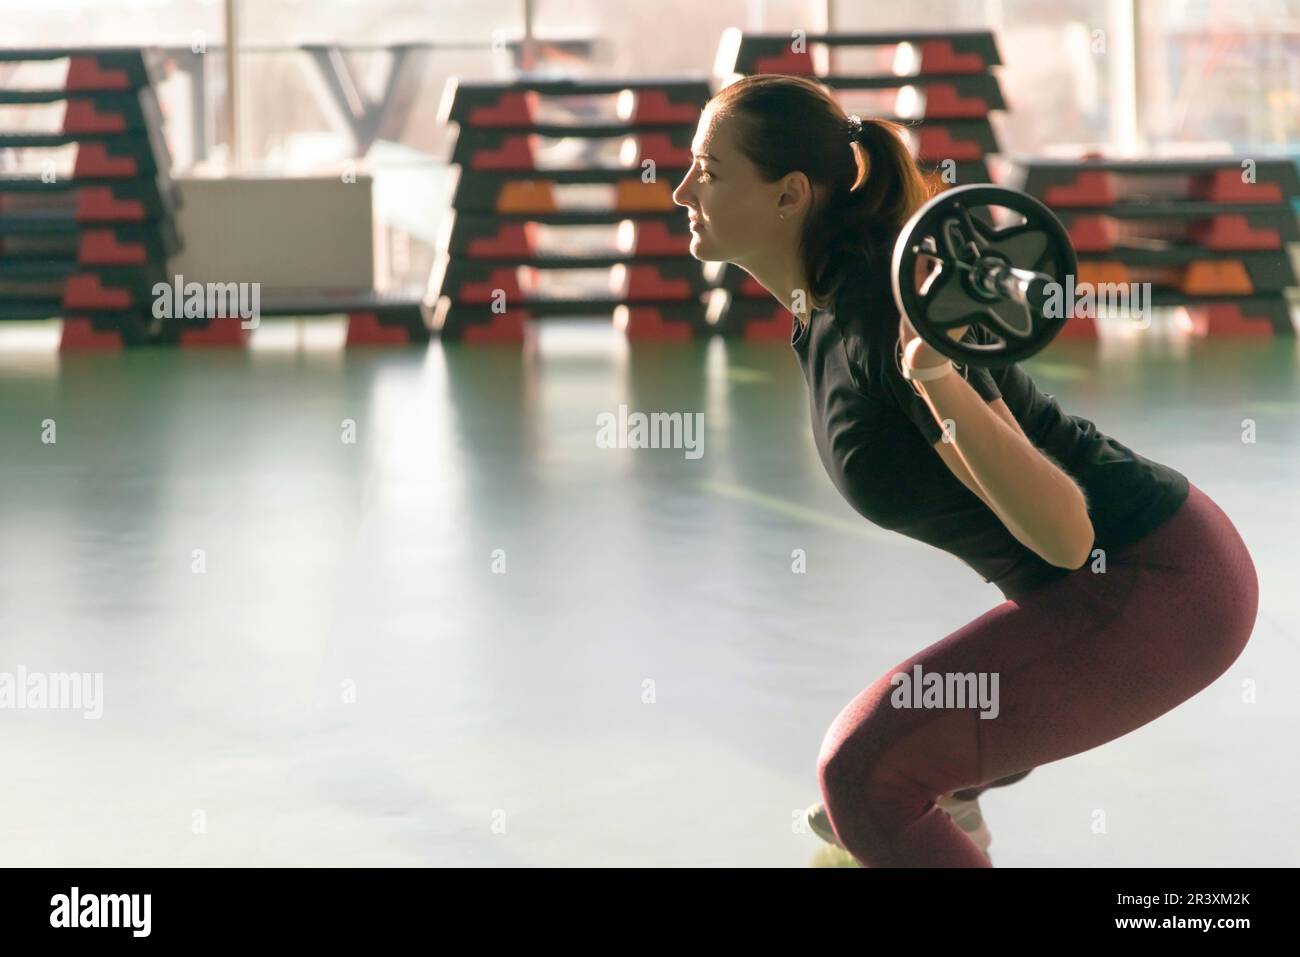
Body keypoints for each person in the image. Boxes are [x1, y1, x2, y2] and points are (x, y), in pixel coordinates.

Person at [671, 74, 1259, 867]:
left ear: (788, 196)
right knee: (872, 803)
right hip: (1091, 590)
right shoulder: (826, 314)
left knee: (862, 777)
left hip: (1159, 582)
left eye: (707, 170)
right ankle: (955, 808)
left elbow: (1063, 532)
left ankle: (946, 804)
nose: (679, 189)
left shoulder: (887, 312)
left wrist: (938, 378)